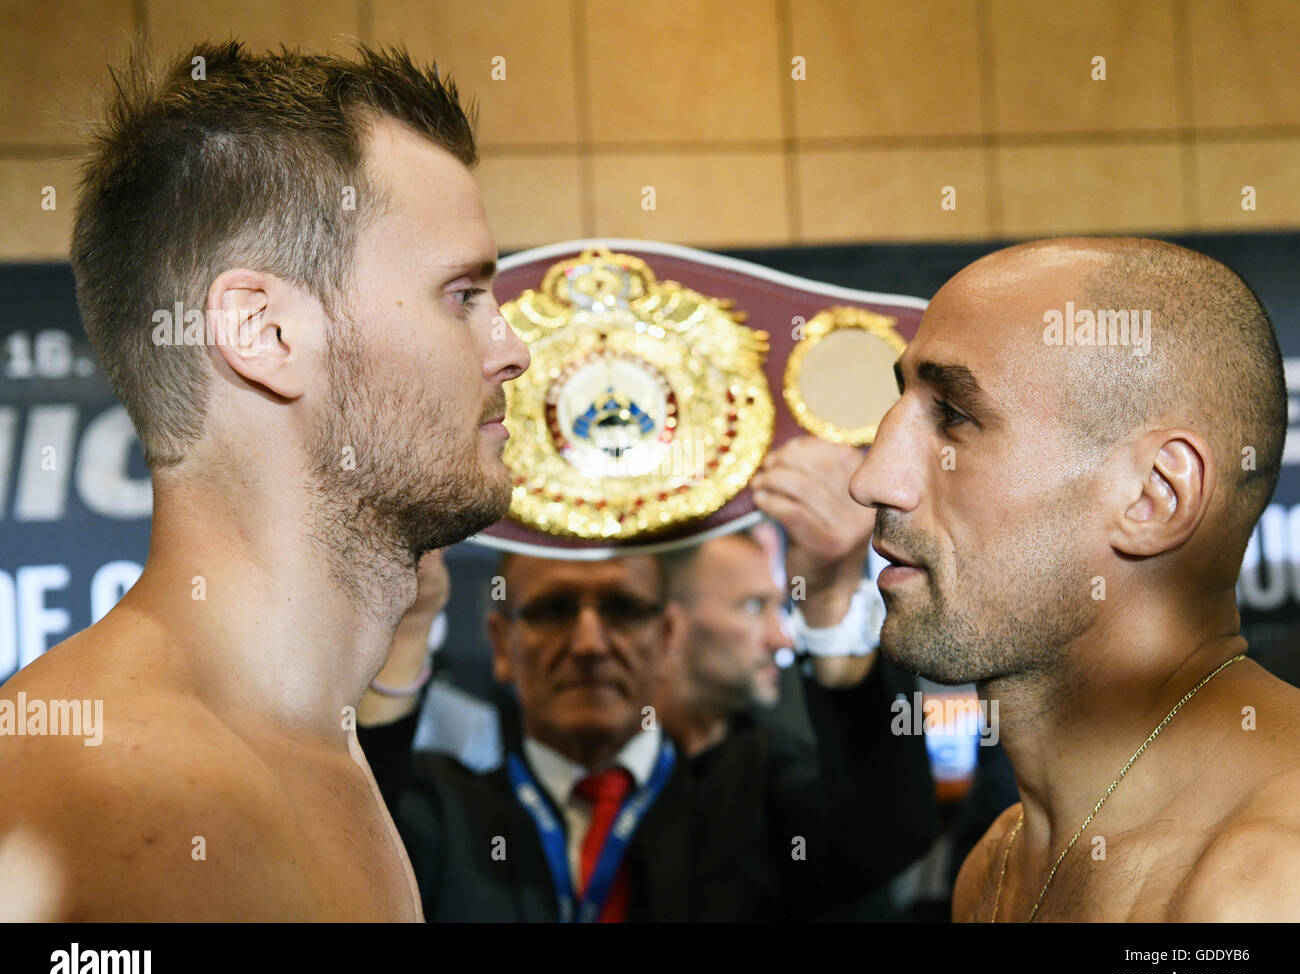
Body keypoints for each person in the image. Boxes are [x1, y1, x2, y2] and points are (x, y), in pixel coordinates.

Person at [0, 40, 529, 920]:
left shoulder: (299, 743)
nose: (513, 349)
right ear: (266, 334)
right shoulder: (139, 789)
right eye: (461, 294)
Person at [847, 236, 1300, 921]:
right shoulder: (997, 861)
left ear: (1154, 495)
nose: (873, 477)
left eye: (955, 415)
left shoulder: (1269, 880)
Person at [358, 441, 938, 921]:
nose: (588, 643)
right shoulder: (440, 812)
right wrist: (407, 625)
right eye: (554, 610)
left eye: (622, 609)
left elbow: (882, 835)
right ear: (500, 646)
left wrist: (831, 598)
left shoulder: (751, 797)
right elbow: (351, 852)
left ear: (666, 640)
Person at [653, 526, 794, 756]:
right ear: (670, 626)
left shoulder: (793, 776)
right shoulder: (606, 767)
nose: (781, 640)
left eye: (778, 607)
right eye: (753, 606)